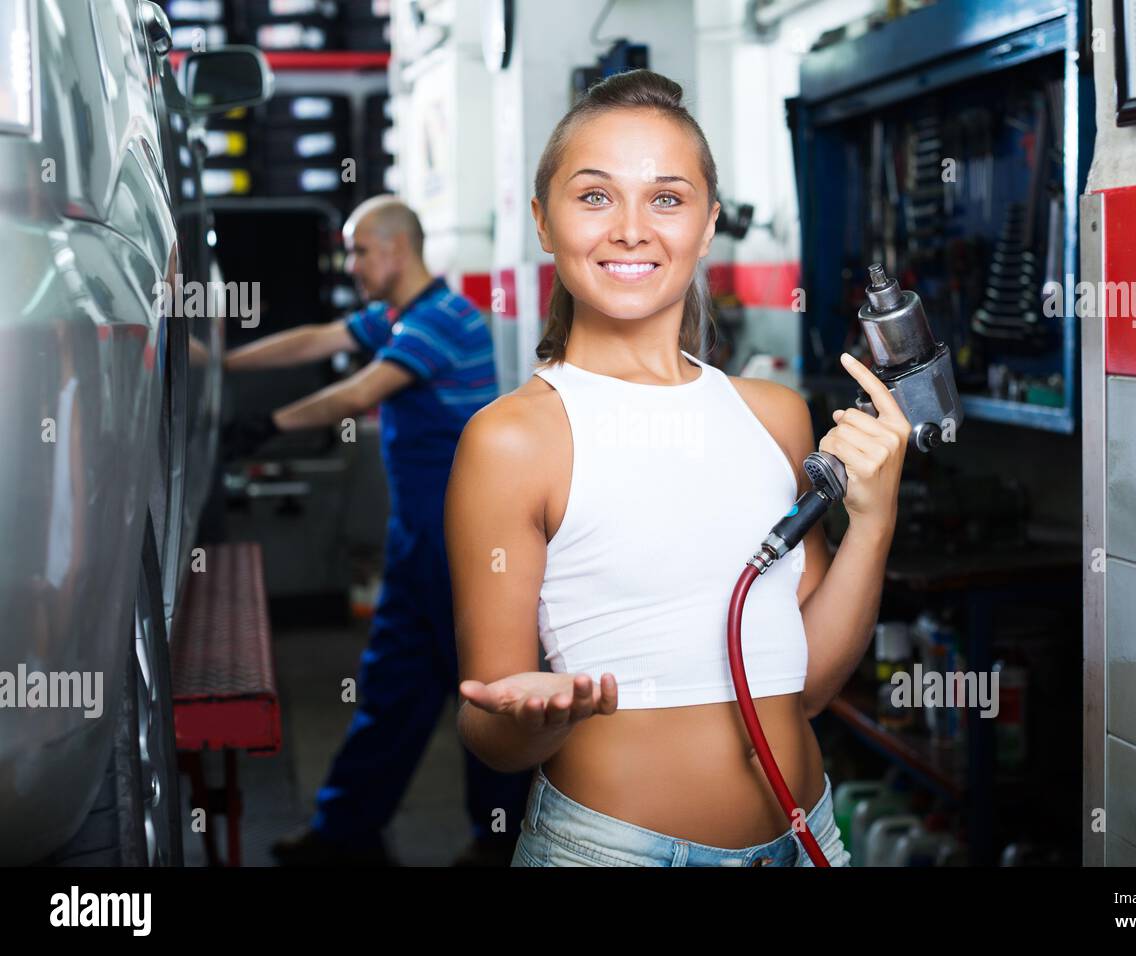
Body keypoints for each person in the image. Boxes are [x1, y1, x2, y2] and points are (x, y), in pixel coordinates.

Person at [445, 71, 910, 867]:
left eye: (667, 198)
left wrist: (874, 522)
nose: (632, 229)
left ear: (708, 223)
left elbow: (803, 689)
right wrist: (534, 719)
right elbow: (489, 733)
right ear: (543, 222)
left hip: (809, 839)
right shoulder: (515, 439)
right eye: (594, 196)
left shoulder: (774, 414)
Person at [223, 195, 533, 866]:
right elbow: (318, 339)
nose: (352, 264)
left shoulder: (442, 320)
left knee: (486, 693)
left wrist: (268, 427)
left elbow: (361, 391)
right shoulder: (397, 316)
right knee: (392, 686)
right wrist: (221, 363)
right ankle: (345, 831)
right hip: (419, 541)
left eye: (360, 251)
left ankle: (502, 842)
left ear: (394, 249)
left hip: (469, 544)